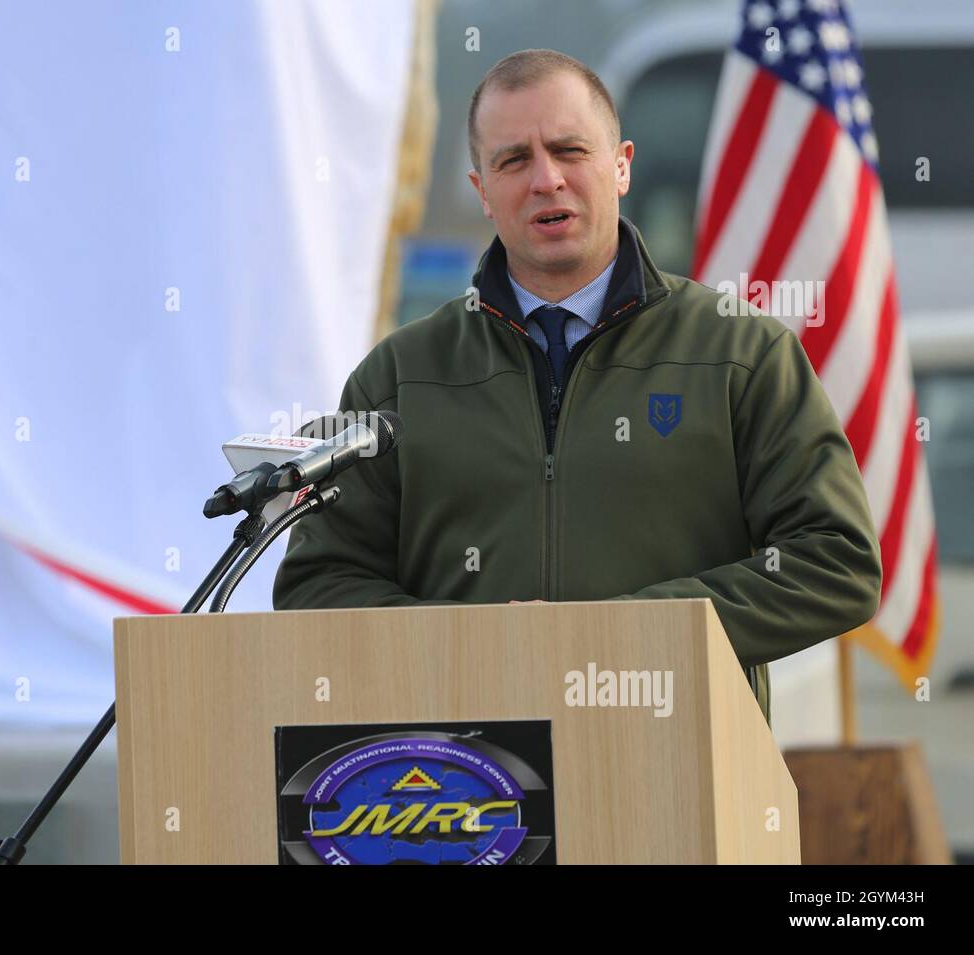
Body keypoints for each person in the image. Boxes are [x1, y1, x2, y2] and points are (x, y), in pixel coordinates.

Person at [272, 49, 882, 723]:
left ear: (620, 164)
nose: (546, 179)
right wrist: (478, 647)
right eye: (513, 161)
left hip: (679, 773)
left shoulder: (740, 352)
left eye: (569, 150)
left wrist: (612, 638)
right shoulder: (398, 376)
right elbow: (319, 584)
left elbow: (835, 562)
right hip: (458, 790)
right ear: (481, 188)